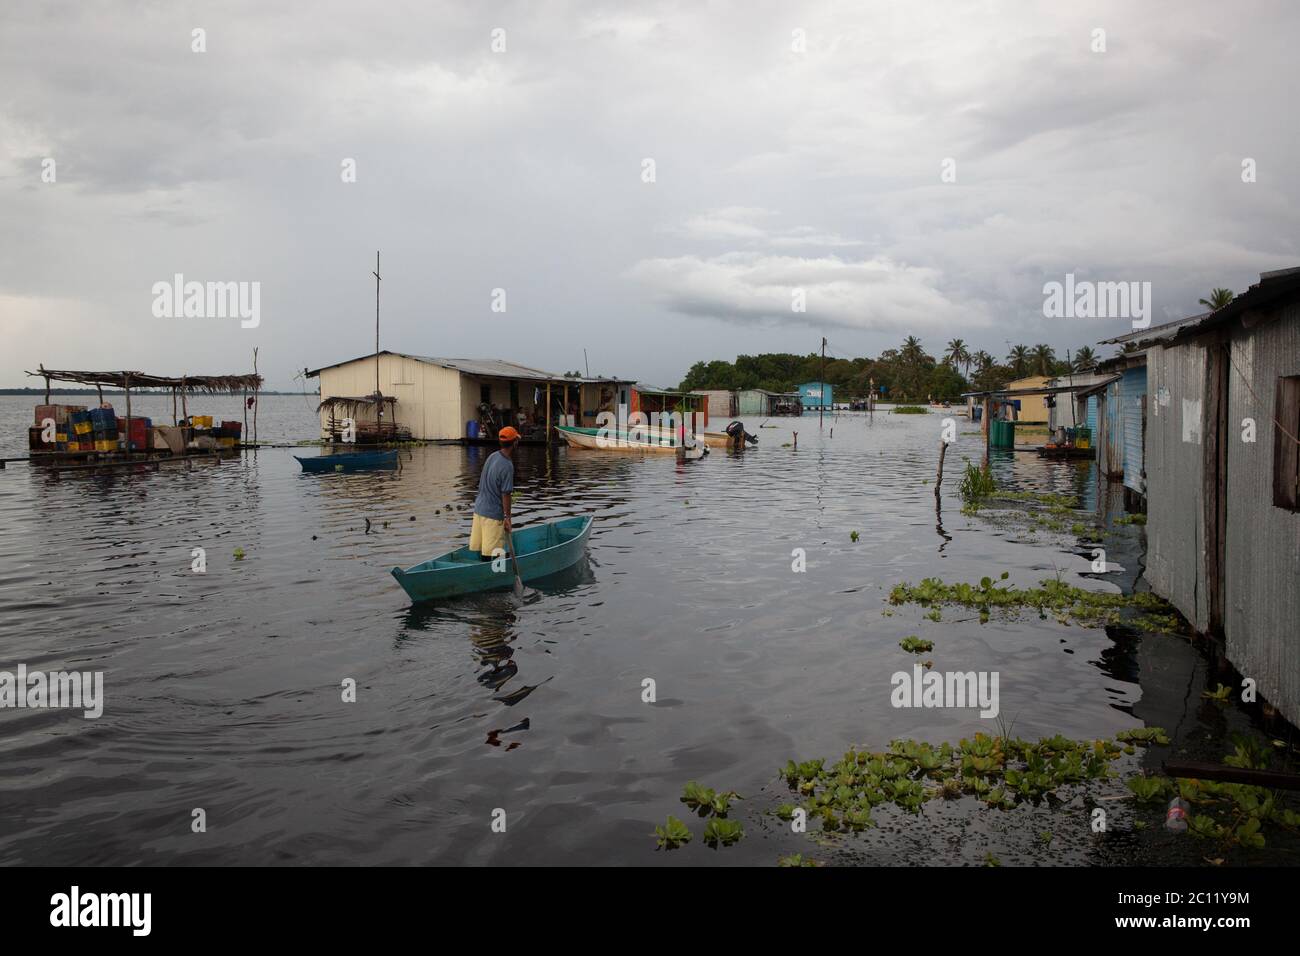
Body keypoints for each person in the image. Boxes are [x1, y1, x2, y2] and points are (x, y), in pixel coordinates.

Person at [470, 425, 519, 561]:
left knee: (485, 553)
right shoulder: (507, 465)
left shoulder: (492, 456)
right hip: (492, 515)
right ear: (514, 443)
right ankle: (498, 577)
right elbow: (506, 494)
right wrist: (507, 518)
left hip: (479, 510)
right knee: (496, 554)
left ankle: (485, 575)